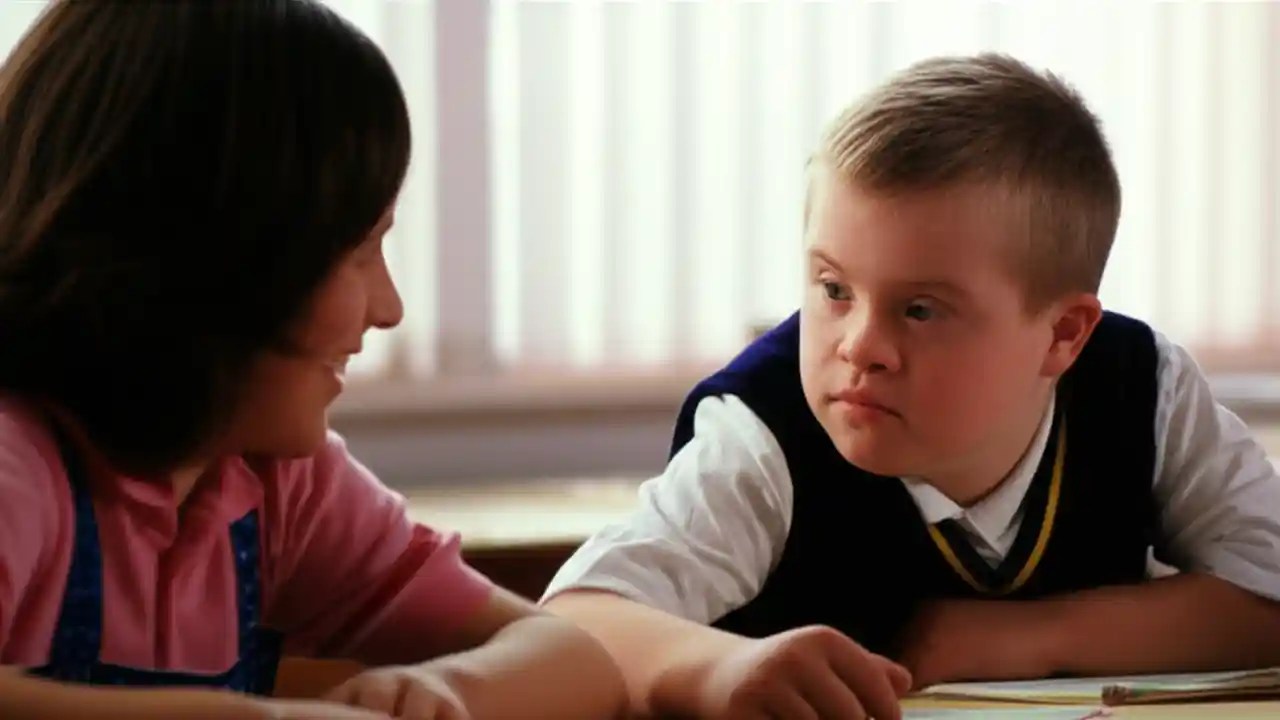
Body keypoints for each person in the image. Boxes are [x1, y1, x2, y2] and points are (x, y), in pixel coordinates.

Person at [541, 53, 1280, 720]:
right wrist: (718, 668)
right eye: (834, 288)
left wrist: (1023, 637)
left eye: (920, 309)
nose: (859, 346)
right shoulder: (765, 433)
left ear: (1062, 335)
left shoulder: (1144, 388)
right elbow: (572, 626)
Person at [0, 2, 626, 719]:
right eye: (359, 251)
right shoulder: (18, 463)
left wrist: (448, 690)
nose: (388, 308)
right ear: (215, 252)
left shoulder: (277, 486)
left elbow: (579, 663)